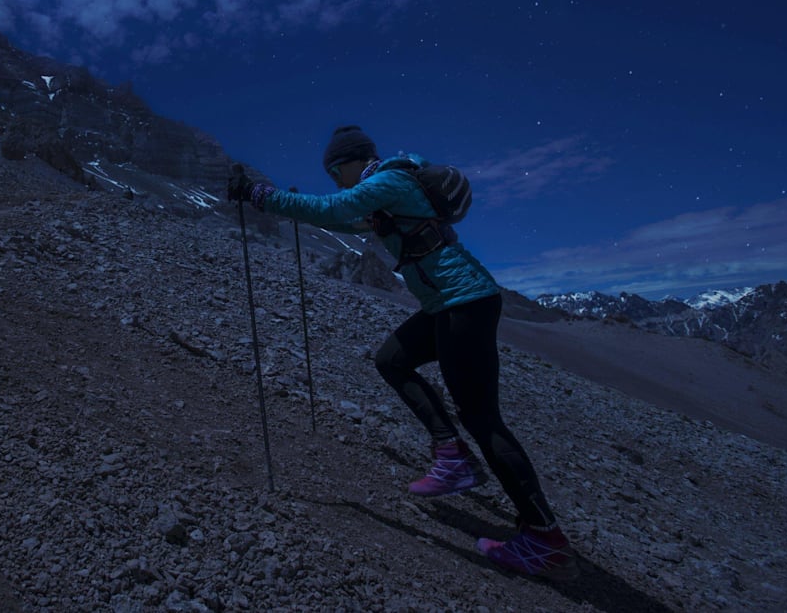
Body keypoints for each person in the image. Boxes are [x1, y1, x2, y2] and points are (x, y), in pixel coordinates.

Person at [227, 125, 578, 581]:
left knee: (482, 419)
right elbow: (342, 219)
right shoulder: (388, 193)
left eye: (337, 172)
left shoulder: (388, 181)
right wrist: (289, 207)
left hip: (463, 303)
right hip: (448, 304)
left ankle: (544, 537)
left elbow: (335, 207)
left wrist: (259, 194)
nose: (338, 181)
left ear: (351, 162)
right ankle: (451, 456)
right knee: (391, 359)